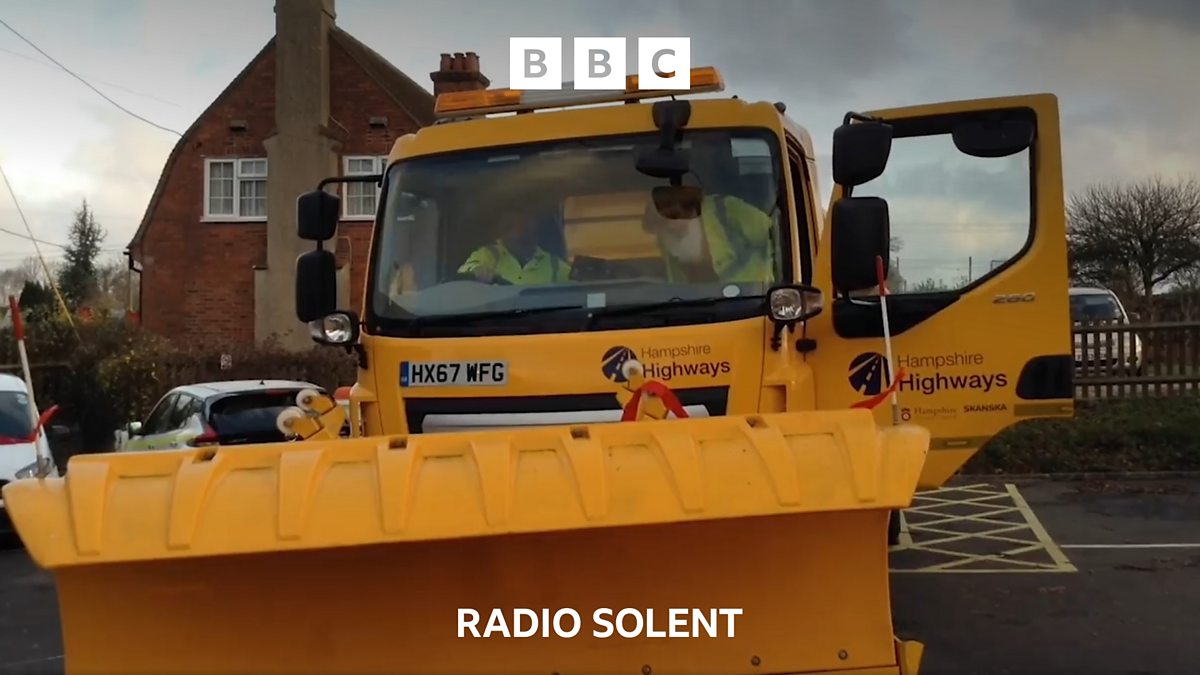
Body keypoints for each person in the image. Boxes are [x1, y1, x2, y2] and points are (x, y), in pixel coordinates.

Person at [642, 186, 776, 284]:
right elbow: (677, 282)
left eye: (675, 216)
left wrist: (769, 277)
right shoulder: (665, 241)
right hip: (704, 309)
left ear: (689, 208)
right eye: (663, 222)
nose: (671, 225)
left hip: (754, 298)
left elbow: (775, 235)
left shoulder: (725, 208)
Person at [457, 206, 571, 285]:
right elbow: (463, 274)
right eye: (516, 228)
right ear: (503, 232)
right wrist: (477, 271)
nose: (524, 235)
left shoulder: (554, 265)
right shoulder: (489, 255)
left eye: (527, 228)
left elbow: (578, 286)